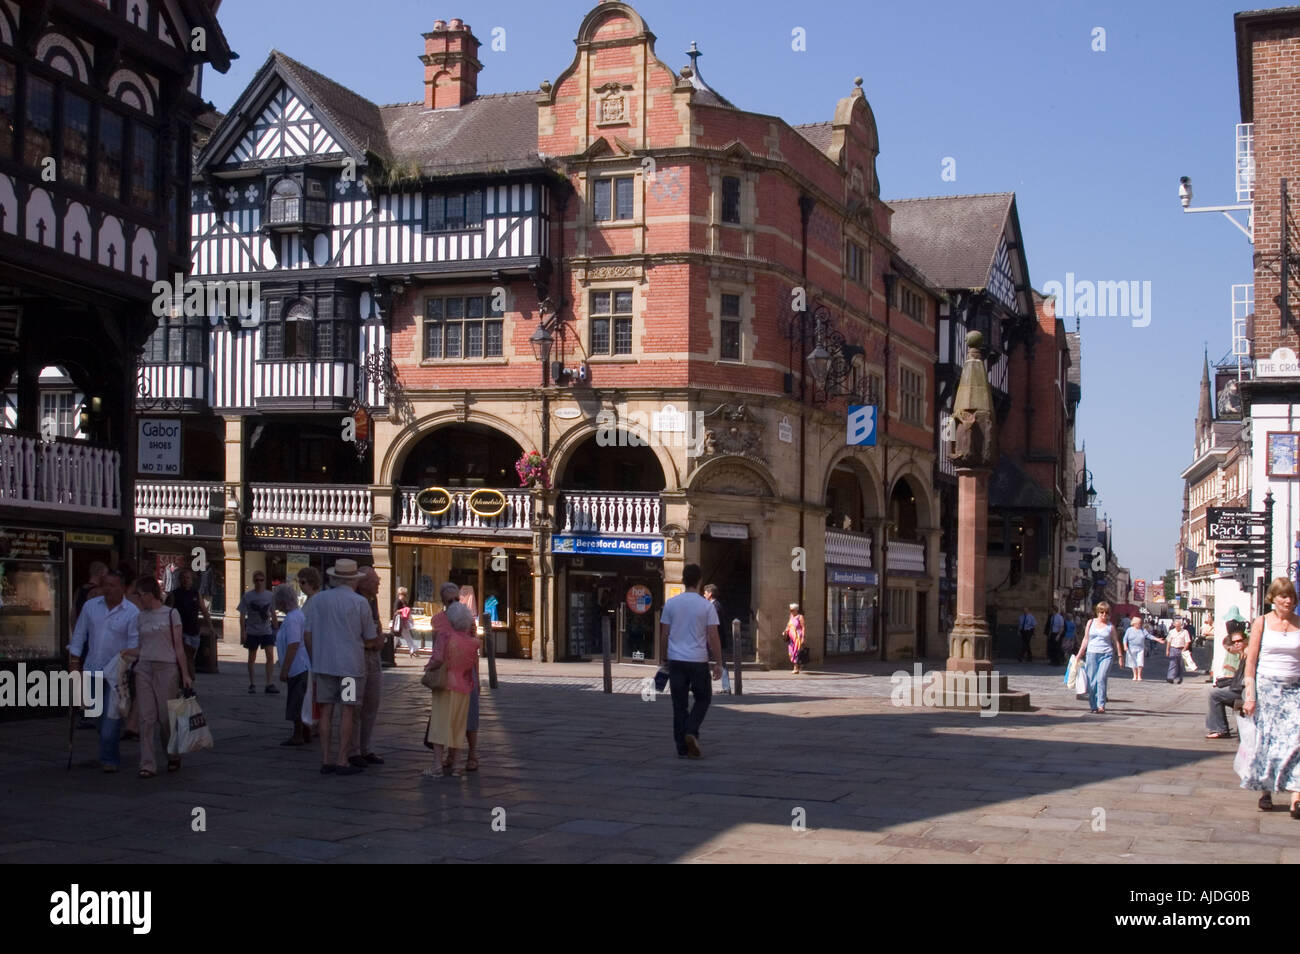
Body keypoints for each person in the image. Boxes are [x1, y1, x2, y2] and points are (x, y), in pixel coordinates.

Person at [302, 559, 380, 776]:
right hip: (349, 668)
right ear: (354, 580)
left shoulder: (318, 601)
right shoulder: (359, 603)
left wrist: (315, 658)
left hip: (324, 666)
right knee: (348, 710)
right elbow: (371, 639)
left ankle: (326, 759)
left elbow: (307, 634)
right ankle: (342, 759)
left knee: (326, 711)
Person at [68, 570, 140, 773]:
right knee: (95, 715)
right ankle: (109, 742)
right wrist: (74, 662)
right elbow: (79, 634)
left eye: (113, 585)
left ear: (122, 588)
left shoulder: (131, 612)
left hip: (115, 674)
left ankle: (109, 758)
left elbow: (135, 642)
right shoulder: (91, 607)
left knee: (110, 719)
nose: (108, 589)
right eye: (105, 585)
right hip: (92, 669)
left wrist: (126, 660)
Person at [1240, 578, 1300, 816]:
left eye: (1291, 597)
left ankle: (1296, 795)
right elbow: (1251, 662)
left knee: (1296, 741)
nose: (1288, 600)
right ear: (1272, 598)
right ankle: (1266, 790)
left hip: (1295, 688)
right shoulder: (1261, 623)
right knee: (1267, 742)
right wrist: (1250, 696)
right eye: (1283, 596)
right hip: (1267, 688)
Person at [127, 577, 191, 777]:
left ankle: (172, 754)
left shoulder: (171, 614)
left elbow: (178, 647)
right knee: (146, 718)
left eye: (138, 595)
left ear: (148, 594)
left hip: (166, 668)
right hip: (144, 667)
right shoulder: (140, 617)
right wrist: (127, 653)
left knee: (165, 717)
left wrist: (185, 674)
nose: (136, 599)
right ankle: (147, 764)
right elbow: (142, 646)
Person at [658, 564, 722, 759]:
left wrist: (663, 658)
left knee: (679, 704)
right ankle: (691, 731)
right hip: (698, 660)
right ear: (700, 581)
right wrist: (718, 662)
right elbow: (713, 636)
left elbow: (664, 634)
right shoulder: (706, 606)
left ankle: (682, 747)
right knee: (703, 698)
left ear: (683, 581)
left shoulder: (671, 603)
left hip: (676, 660)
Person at [423, 602, 481, 778]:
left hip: (445, 686)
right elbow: (472, 664)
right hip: (464, 686)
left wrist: (428, 667)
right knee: (457, 725)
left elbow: (438, 658)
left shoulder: (445, 636)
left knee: (440, 724)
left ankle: (437, 766)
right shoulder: (474, 642)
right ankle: (457, 766)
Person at [347, 566, 385, 767]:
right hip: (350, 662)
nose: (378, 584)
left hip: (372, 659)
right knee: (350, 705)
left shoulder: (372, 600)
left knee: (371, 703)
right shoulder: (352, 601)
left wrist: (378, 641)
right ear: (362, 583)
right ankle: (349, 750)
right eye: (375, 581)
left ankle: (365, 748)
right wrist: (372, 641)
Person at [274, 583, 311, 746]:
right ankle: (306, 732)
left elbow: (293, 644)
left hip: (298, 667)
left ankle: (298, 734)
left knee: (297, 701)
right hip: (300, 666)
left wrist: (285, 669)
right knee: (300, 699)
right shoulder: (295, 616)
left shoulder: (292, 618)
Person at [1206, 609, 1249, 739]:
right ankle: (1217, 727)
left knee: (1214, 695)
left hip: (1244, 692)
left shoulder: (1248, 654)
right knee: (1217, 691)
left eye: (1239, 641)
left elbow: (1247, 678)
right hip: (1239, 688)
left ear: (1245, 640)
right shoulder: (1243, 654)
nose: (1236, 644)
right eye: (1234, 642)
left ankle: (1220, 729)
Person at [1074, 600, 1122, 713]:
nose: (1104, 615)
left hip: (1107, 654)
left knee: (1101, 678)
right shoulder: (1090, 623)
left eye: (1106, 613)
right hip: (1092, 654)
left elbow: (1116, 642)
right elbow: (1086, 640)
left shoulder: (1110, 627)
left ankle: (1101, 705)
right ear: (1097, 612)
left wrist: (1120, 656)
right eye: (1102, 613)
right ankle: (1093, 706)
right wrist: (1079, 655)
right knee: (1092, 681)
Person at [167, 569, 213, 681]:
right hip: (181, 632)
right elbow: (167, 612)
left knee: (190, 659)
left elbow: (204, 610)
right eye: (183, 578)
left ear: (192, 580)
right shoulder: (174, 594)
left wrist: (210, 627)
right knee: (187, 658)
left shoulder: (196, 594)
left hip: (194, 632)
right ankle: (190, 684)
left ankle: (185, 683)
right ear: (179, 580)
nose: (185, 580)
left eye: (188, 578)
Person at [237, 571, 278, 694]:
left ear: (264, 581)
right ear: (253, 581)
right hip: (252, 631)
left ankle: (269, 683)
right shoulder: (248, 596)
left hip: (266, 630)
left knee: (270, 656)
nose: (259, 582)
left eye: (261, 580)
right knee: (251, 657)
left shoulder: (270, 596)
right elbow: (242, 614)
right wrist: (243, 631)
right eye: (257, 580)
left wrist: (276, 627)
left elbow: (273, 612)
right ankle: (252, 683)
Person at [703, 584, 731, 693]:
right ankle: (726, 687)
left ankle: (726, 687)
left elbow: (715, 626)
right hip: (715, 639)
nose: (703, 595)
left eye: (705, 593)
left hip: (716, 640)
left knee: (721, 664)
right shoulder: (715, 605)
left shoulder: (714, 606)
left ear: (710, 594)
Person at [393, 586, 418, 657]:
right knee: (396, 637)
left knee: (407, 636)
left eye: (404, 594)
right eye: (402, 594)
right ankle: (391, 651)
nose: (403, 596)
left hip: (404, 621)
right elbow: (395, 611)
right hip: (399, 621)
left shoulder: (404, 601)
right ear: (399, 594)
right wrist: (403, 610)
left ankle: (412, 650)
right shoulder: (398, 601)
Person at [1166, 618, 1191, 684]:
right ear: (1174, 625)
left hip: (1181, 649)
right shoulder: (1171, 632)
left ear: (1181, 625)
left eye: (1178, 626)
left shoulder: (1185, 632)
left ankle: (1179, 678)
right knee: (1172, 663)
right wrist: (1167, 650)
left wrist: (1184, 649)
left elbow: (1187, 642)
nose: (1177, 627)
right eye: (1176, 626)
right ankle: (1170, 677)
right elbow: (1168, 641)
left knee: (1180, 665)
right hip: (1173, 648)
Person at [783, 602, 806, 674]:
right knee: (791, 652)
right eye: (790, 610)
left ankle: (796, 668)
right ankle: (797, 666)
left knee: (796, 652)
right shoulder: (791, 616)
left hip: (797, 637)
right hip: (791, 638)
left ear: (796, 610)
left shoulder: (800, 617)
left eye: (792, 610)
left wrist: (803, 638)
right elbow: (788, 625)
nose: (791, 611)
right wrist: (785, 631)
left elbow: (803, 628)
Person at [1123, 616, 1147, 681]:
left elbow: (1148, 635)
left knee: (1140, 661)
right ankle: (1135, 675)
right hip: (1131, 648)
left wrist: (1157, 639)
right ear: (1134, 623)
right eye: (1139, 623)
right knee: (1133, 662)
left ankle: (1139, 675)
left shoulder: (1142, 630)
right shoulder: (1129, 630)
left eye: (1140, 623)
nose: (1140, 624)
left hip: (1140, 648)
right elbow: (1125, 639)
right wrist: (1125, 646)